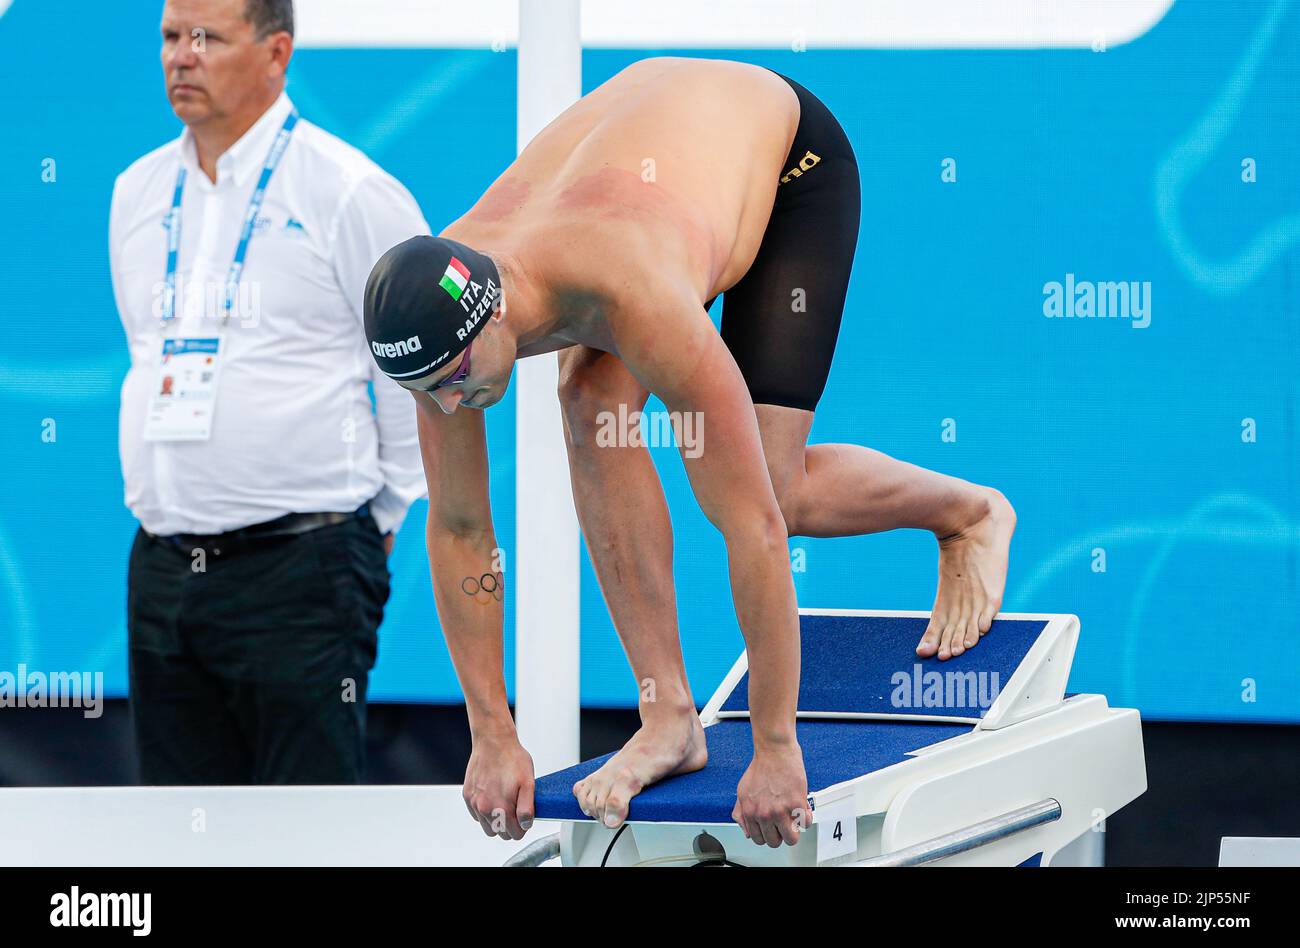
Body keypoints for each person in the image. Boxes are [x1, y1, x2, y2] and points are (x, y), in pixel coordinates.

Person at [364, 57, 1016, 847]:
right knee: (591, 402)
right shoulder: (437, 330)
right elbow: (463, 530)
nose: (446, 405)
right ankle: (667, 714)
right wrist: (491, 733)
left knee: (777, 491)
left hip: (784, 163)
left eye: (456, 381)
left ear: (496, 313)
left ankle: (970, 512)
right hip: (643, 177)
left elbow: (754, 531)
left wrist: (777, 747)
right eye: (425, 391)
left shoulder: (632, 291)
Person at [110, 0, 427, 784]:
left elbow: (412, 371)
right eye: (170, 37)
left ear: (277, 52)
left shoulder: (350, 191)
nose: (181, 57)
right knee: (178, 832)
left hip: (303, 565)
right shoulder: (136, 193)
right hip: (163, 568)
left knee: (306, 829)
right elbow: (149, 356)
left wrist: (377, 520)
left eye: (208, 38)